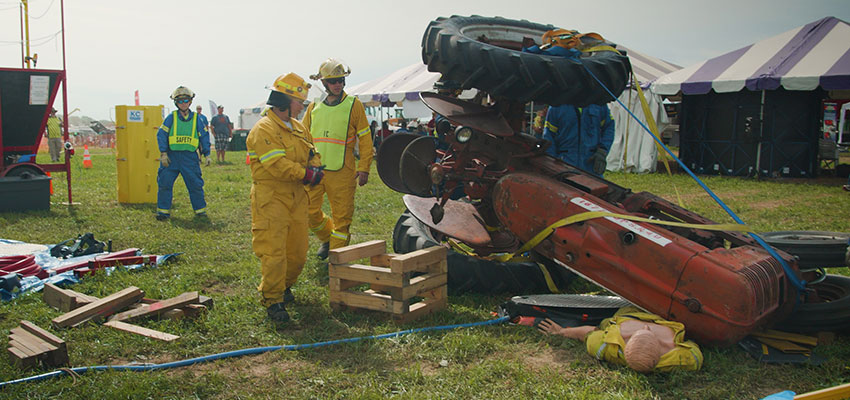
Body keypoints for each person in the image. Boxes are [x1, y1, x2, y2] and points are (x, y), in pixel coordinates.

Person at [247, 73, 322, 323]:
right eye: (299, 101)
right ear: (283, 100)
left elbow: (313, 152)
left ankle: (285, 286)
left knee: (298, 251)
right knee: (274, 251)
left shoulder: (299, 127)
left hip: (297, 196)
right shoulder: (263, 129)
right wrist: (306, 173)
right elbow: (277, 165)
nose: (302, 106)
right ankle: (273, 300)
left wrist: (316, 167)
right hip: (271, 197)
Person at [303, 58, 373, 260]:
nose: (338, 85)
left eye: (341, 80)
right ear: (324, 83)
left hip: (343, 172)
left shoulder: (354, 105)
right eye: (333, 81)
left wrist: (365, 167)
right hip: (315, 171)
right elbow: (303, 136)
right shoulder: (314, 106)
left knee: (342, 219)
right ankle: (327, 238)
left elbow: (366, 138)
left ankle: (336, 259)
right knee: (308, 212)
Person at [538, 306, 703, 373]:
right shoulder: (686, 358)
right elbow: (694, 346)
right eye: (646, 330)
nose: (645, 326)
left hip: (627, 311)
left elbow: (589, 332)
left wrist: (560, 332)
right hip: (665, 311)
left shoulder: (606, 347)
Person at [155, 86, 211, 221]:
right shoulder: (171, 117)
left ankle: (200, 211)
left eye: (186, 100)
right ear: (176, 103)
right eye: (180, 101)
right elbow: (161, 134)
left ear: (190, 102)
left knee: (195, 185)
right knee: (164, 183)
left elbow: (204, 136)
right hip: (171, 157)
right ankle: (163, 212)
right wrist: (163, 153)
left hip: (189, 158)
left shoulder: (197, 119)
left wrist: (207, 154)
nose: (183, 103)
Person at [542, 103, 614, 177]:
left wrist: (602, 151)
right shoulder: (557, 106)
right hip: (565, 164)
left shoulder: (599, 104)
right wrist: (552, 163)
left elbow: (609, 128)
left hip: (591, 164)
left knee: (595, 188)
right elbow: (549, 136)